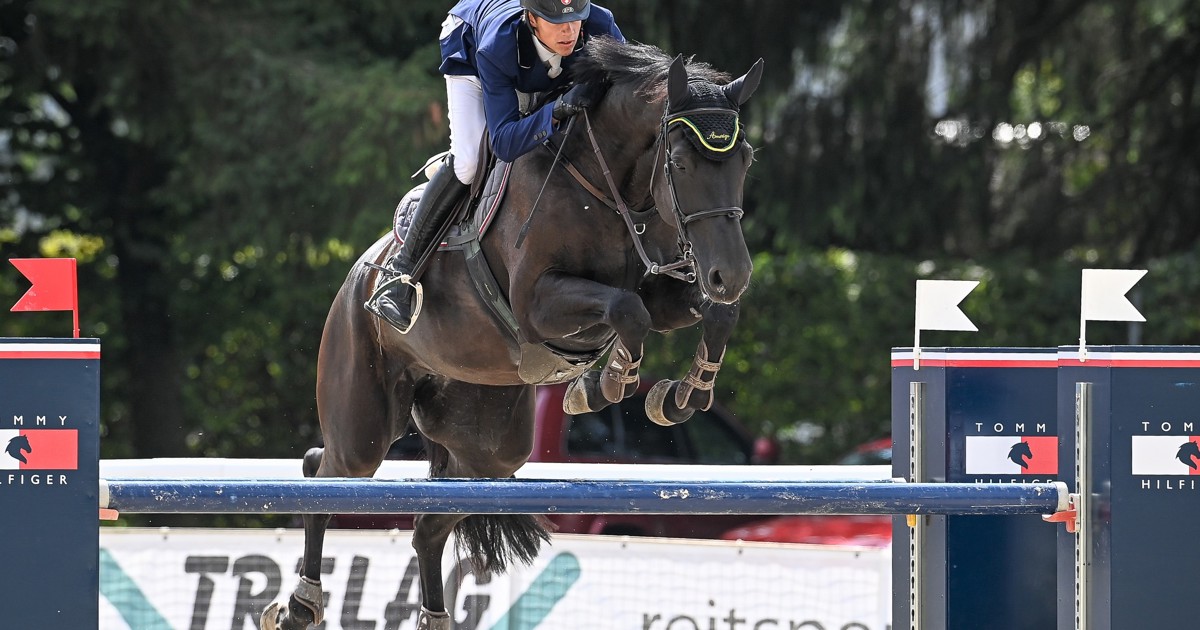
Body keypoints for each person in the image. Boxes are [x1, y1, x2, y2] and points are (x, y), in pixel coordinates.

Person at [365, 0, 626, 333]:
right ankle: (401, 273)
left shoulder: (600, 24)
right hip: (470, 43)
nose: (570, 30)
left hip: (528, 63)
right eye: (557, 22)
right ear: (531, 18)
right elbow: (503, 140)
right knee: (470, 162)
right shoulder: (496, 46)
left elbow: (628, 84)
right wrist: (557, 110)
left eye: (577, 20)